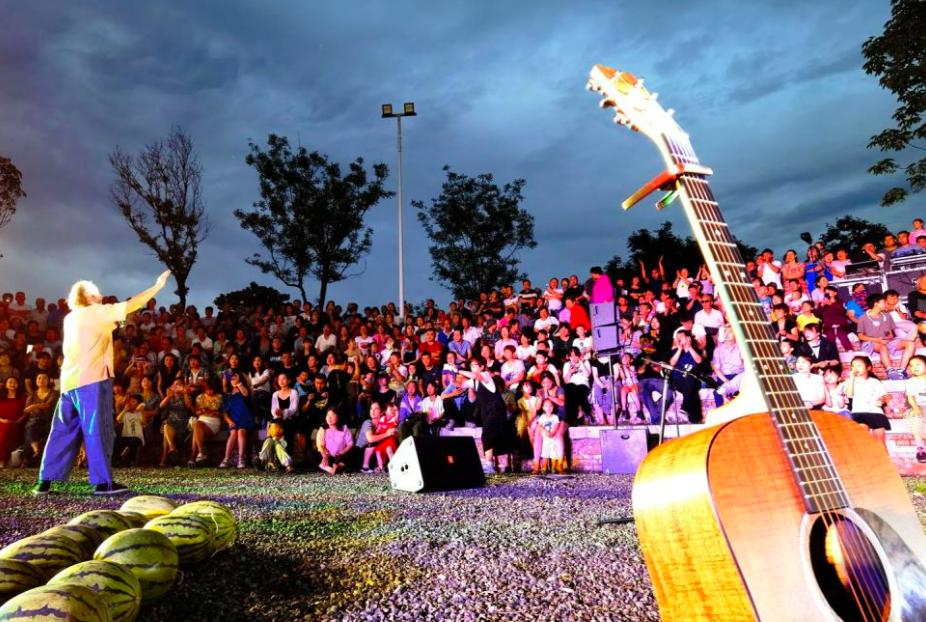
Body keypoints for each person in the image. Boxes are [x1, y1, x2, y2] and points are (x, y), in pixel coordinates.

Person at [35, 269, 170, 495]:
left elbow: (107, 326)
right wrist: (157, 286)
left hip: (69, 382)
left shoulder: (71, 318)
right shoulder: (96, 312)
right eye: (96, 292)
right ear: (88, 297)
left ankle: (44, 482)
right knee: (98, 430)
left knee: (62, 431)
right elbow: (132, 305)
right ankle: (102, 483)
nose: (101, 295)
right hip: (92, 379)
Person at [843, 356, 891, 449]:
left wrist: (881, 400)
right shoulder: (849, 381)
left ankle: (883, 458)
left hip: (876, 412)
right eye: (853, 366)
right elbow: (849, 395)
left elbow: (885, 396)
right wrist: (851, 378)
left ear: (868, 368)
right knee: (862, 440)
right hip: (859, 413)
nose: (855, 368)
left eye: (859, 365)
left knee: (880, 442)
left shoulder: (875, 382)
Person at [20, 372, 57, 466]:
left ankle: (27, 458)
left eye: (44, 378)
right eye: (39, 378)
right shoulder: (32, 394)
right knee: (31, 427)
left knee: (31, 428)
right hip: (35, 420)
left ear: (49, 381)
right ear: (36, 381)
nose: (41, 380)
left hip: (50, 419)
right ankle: (37, 451)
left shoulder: (54, 393)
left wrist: (34, 406)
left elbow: (48, 405)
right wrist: (31, 408)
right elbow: (26, 410)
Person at [219, 372, 254, 469]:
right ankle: (226, 459)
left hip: (245, 418)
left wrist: (239, 384)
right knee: (233, 433)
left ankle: (241, 459)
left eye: (235, 376)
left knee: (241, 432)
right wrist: (229, 421)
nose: (233, 378)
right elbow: (224, 411)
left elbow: (246, 394)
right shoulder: (228, 394)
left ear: (240, 379)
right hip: (233, 420)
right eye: (231, 377)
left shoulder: (244, 389)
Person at [317, 409, 353, 474]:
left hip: (341, 456)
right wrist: (325, 456)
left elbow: (350, 443)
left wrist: (343, 452)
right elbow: (320, 445)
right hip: (328, 456)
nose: (329, 418)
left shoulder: (344, 428)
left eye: (332, 415)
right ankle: (332, 468)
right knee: (312, 454)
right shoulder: (323, 429)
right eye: (328, 415)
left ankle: (337, 466)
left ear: (338, 416)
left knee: (353, 453)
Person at [0, 377, 25, 467]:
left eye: (15, 382)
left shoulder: (23, 397)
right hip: (1, 422)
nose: (12, 384)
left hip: (17, 423)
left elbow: (25, 413)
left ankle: (4, 460)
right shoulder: (1, 397)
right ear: (5, 385)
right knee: (4, 430)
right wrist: (2, 420)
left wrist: (17, 421)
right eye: (10, 382)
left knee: (8, 430)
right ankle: (2, 460)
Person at [535, 398, 565, 474]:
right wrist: (545, 432)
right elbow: (540, 425)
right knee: (545, 453)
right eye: (546, 406)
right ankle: (544, 467)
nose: (548, 408)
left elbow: (556, 425)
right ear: (543, 408)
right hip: (546, 439)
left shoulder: (555, 417)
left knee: (553, 454)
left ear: (553, 407)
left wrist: (552, 433)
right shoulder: (542, 417)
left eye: (550, 406)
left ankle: (553, 467)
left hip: (553, 439)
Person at [905, 355, 926, 463]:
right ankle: (920, 449)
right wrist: (916, 409)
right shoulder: (911, 382)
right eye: (912, 365)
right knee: (914, 417)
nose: (914, 367)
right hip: (919, 406)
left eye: (918, 364)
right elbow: (911, 398)